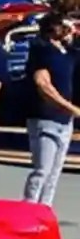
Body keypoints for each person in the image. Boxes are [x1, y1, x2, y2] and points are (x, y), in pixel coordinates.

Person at [23, 14, 80, 206]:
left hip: (64, 121)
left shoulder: (68, 53)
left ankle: (44, 211)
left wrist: (73, 33)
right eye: (63, 26)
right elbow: (43, 85)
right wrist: (70, 107)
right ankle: (29, 209)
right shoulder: (42, 50)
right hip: (45, 118)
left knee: (54, 173)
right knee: (42, 170)